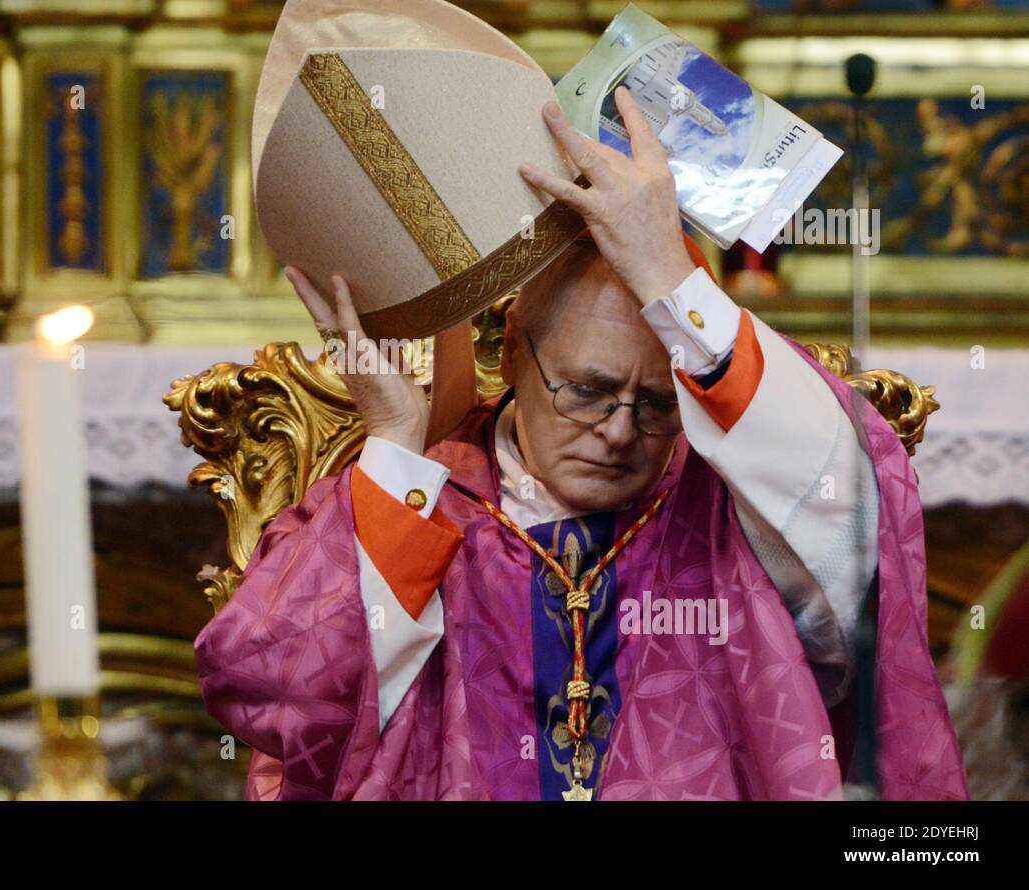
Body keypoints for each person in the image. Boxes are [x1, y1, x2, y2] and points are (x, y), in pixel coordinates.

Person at [195, 88, 967, 801]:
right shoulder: (418, 499)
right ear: (514, 355)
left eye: (659, 402)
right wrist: (397, 442)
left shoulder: (735, 517)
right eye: (588, 392)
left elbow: (858, 510)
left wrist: (668, 270)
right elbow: (277, 696)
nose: (622, 431)